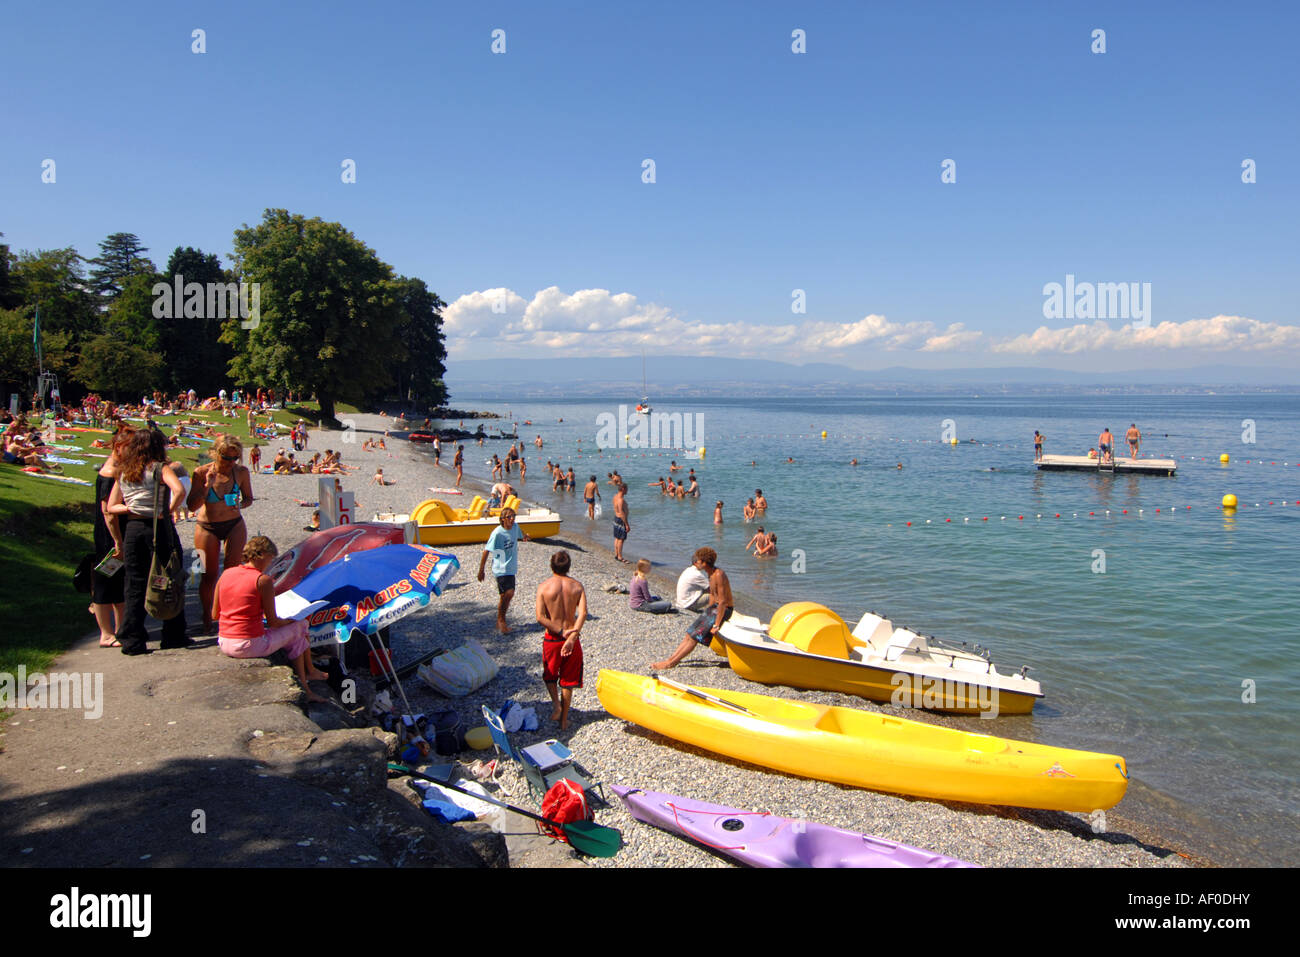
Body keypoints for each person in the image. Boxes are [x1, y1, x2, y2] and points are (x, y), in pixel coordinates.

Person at [105, 428, 191, 655]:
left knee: (135, 583)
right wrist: (168, 510)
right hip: (158, 528)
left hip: (133, 529)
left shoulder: (125, 471)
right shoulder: (159, 468)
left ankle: (132, 639)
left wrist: (131, 507)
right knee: (170, 576)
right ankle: (173, 634)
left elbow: (112, 507)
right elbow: (179, 491)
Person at [213, 536, 329, 702]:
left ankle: (309, 675)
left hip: (224, 641)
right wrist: (290, 620)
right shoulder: (262, 580)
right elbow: (273, 622)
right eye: (270, 559)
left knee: (295, 631)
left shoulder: (226, 574)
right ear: (262, 556)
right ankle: (308, 685)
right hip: (249, 645)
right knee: (301, 626)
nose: (270, 564)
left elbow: (214, 614)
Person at [187, 434, 255, 635]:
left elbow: (249, 498)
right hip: (207, 526)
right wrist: (207, 485)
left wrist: (241, 503)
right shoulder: (200, 472)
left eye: (234, 458)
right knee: (208, 575)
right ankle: (207, 616)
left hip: (234, 523)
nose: (229, 463)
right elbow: (192, 505)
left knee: (232, 573)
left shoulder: (241, 472)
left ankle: (228, 615)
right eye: (226, 458)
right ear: (216, 454)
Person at [651, 548, 733, 670]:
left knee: (693, 638)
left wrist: (716, 625)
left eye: (699, 560)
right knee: (689, 634)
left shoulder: (718, 575)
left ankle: (671, 663)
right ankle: (670, 659)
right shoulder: (710, 574)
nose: (696, 562)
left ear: (704, 562)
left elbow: (722, 601)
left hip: (723, 609)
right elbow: (712, 595)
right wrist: (707, 611)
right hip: (714, 609)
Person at [536, 550, 587, 729]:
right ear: (568, 566)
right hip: (571, 638)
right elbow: (583, 614)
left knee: (550, 675)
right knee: (568, 680)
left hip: (552, 638)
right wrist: (572, 636)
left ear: (552, 565)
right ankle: (564, 720)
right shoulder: (577, 586)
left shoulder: (544, 587)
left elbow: (540, 617)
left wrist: (560, 631)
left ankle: (556, 705)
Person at [91, 427, 131, 647]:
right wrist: (118, 541)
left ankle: (119, 628)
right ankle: (106, 633)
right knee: (106, 581)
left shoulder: (118, 469)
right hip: (110, 535)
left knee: (118, 582)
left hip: (115, 533)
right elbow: (108, 512)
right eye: (130, 448)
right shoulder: (110, 473)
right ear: (118, 447)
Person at [479, 507, 529, 633]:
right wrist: (481, 570)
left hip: (511, 568)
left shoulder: (515, 527)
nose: (512, 519)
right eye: (509, 517)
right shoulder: (497, 533)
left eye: (513, 516)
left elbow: (520, 532)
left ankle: (500, 621)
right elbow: (486, 551)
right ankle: (501, 621)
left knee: (506, 595)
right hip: (500, 567)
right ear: (502, 519)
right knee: (507, 594)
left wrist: (525, 536)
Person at [612, 482, 630, 563]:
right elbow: (622, 513)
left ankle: (616, 554)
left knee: (617, 538)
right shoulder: (620, 500)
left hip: (616, 518)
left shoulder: (615, 496)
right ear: (623, 489)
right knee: (621, 539)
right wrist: (626, 524)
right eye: (626, 489)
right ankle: (619, 557)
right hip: (620, 520)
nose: (627, 491)